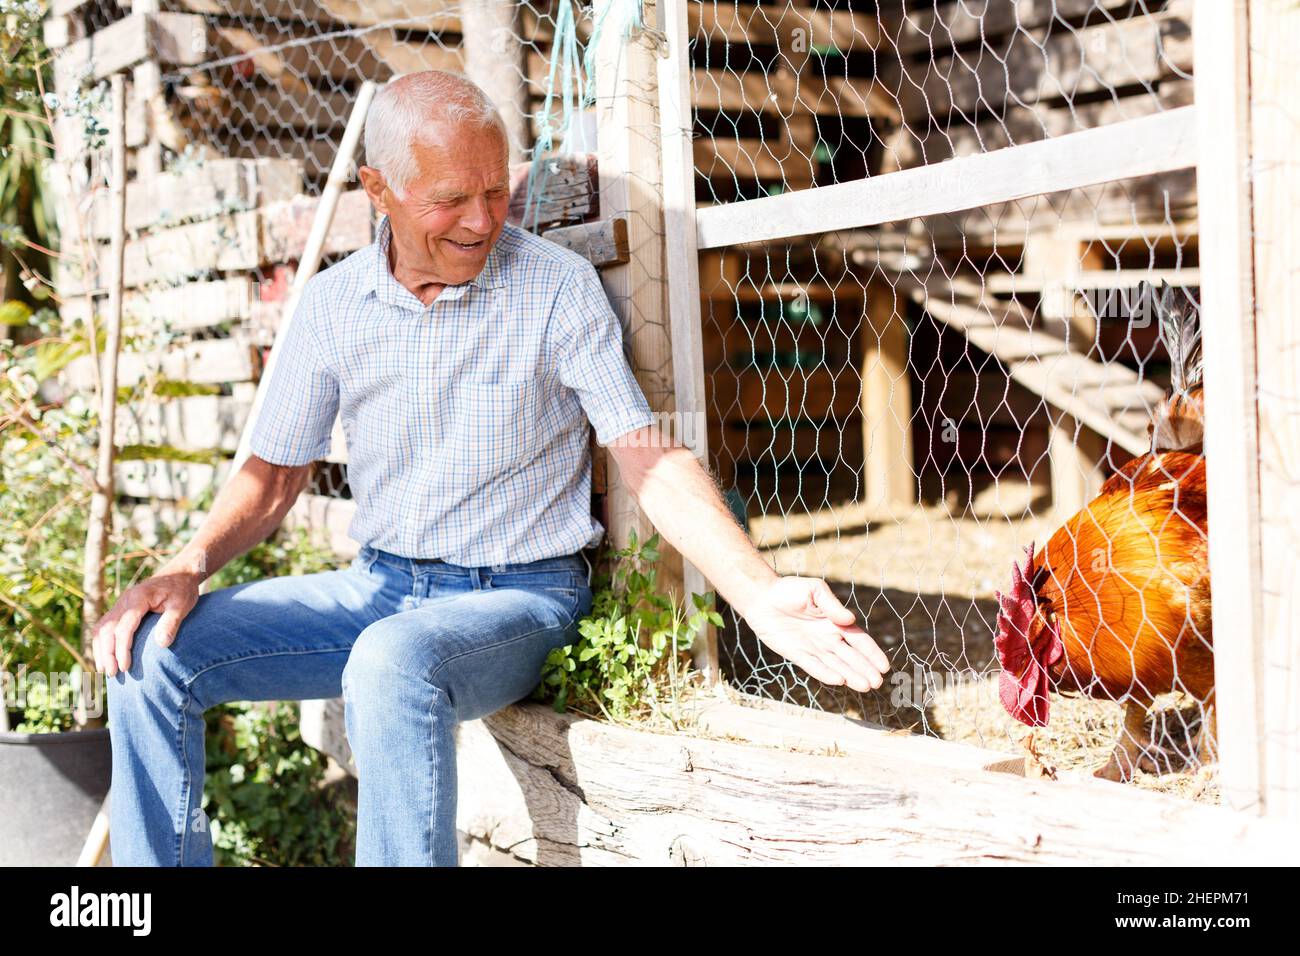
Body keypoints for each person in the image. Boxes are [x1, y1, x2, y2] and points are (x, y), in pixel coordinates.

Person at [95, 71, 890, 867]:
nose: (481, 221)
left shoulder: (556, 289)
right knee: (150, 655)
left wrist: (755, 589)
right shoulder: (334, 306)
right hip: (375, 589)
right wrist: (188, 564)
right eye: (450, 199)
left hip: (515, 601)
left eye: (495, 192)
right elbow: (272, 477)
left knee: (391, 660)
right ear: (377, 189)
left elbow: (648, 454)